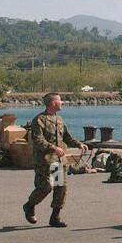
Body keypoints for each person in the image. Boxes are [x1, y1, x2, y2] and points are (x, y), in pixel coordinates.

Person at [23, 92, 87, 228]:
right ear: (52, 103)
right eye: (59, 100)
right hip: (45, 161)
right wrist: (53, 148)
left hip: (58, 162)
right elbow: (38, 140)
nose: (62, 102)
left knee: (61, 187)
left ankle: (55, 217)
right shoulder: (39, 120)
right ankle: (29, 205)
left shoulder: (59, 119)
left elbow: (67, 137)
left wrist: (78, 144)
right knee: (45, 187)